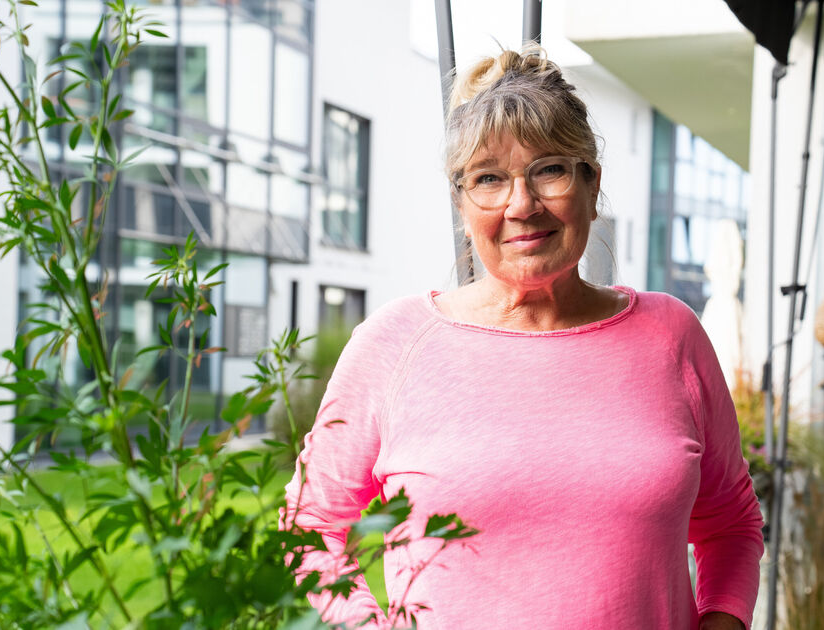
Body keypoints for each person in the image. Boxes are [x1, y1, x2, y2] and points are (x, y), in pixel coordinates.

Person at [283, 46, 764, 630]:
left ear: (592, 184)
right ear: (462, 203)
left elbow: (731, 524)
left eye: (550, 170)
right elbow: (312, 529)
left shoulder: (671, 335)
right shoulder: (394, 344)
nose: (521, 205)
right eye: (489, 179)